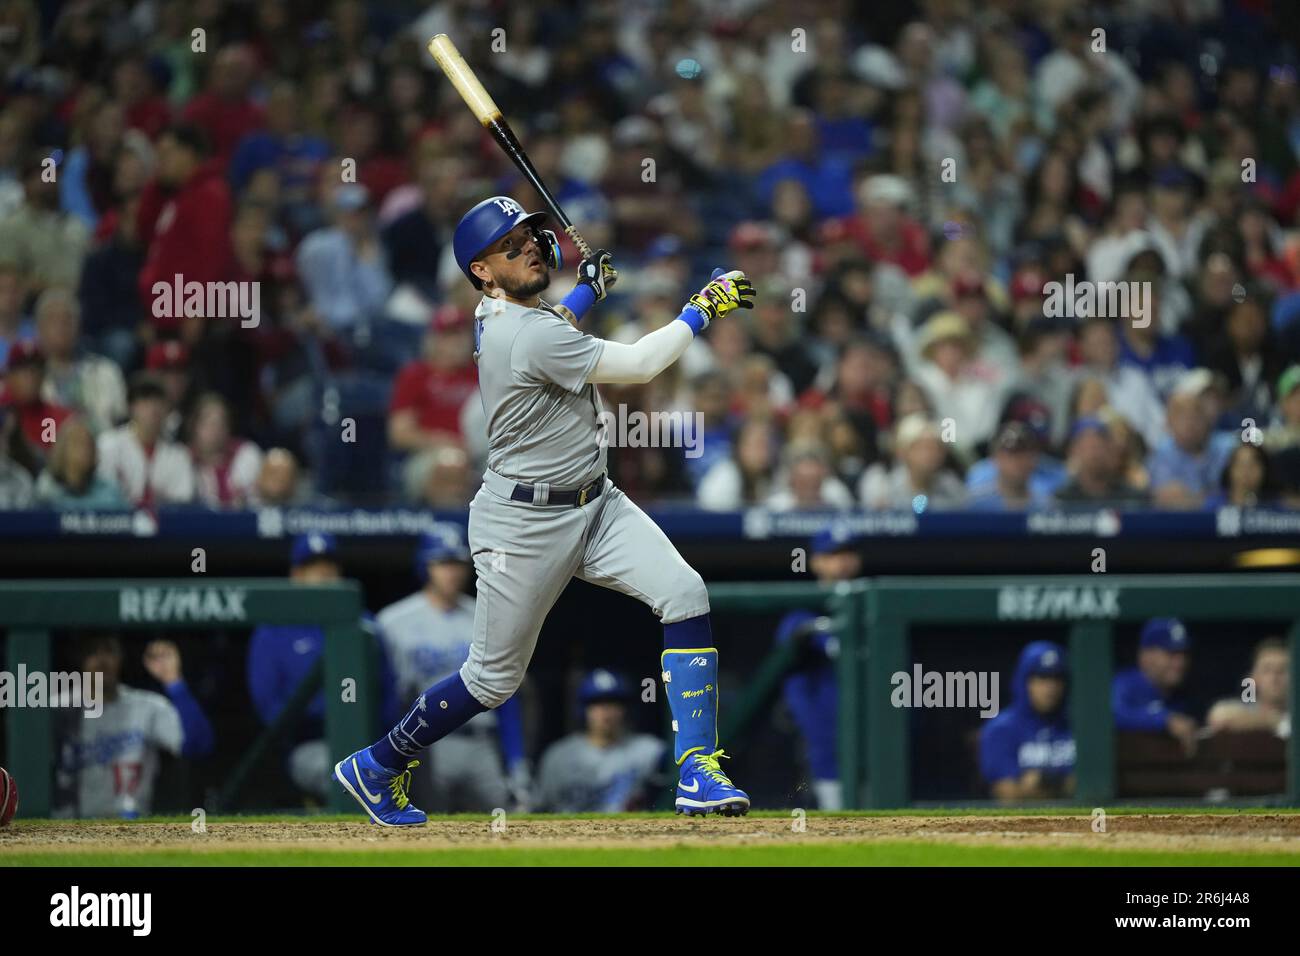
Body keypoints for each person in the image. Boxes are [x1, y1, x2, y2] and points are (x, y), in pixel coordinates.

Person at [334, 196, 754, 826]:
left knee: (685, 592)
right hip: (521, 526)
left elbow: (553, 321)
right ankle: (378, 763)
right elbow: (638, 365)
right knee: (491, 681)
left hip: (596, 502)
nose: (530, 247)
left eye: (531, 237)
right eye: (511, 246)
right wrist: (699, 309)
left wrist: (586, 293)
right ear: (481, 272)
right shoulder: (522, 331)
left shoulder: (511, 315)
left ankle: (697, 768)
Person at [375, 525, 527, 812]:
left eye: (458, 563)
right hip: (425, 746)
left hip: (480, 740)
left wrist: (516, 758)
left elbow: (508, 697)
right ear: (426, 566)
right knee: (421, 824)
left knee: (510, 819)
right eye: (443, 563)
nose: (452, 572)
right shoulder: (392, 621)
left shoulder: (487, 615)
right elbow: (386, 697)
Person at [246, 533, 397, 800]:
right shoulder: (275, 629)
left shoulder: (364, 623)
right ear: (296, 574)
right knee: (347, 781)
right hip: (309, 743)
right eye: (313, 567)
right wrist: (327, 712)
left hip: (369, 743)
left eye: (329, 565)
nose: (324, 573)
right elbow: (269, 707)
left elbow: (388, 691)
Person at [56, 633, 214, 818]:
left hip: (130, 830)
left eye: (108, 651)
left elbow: (198, 744)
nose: (101, 660)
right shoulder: (58, 709)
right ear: (80, 660)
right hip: (67, 830)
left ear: (121, 657)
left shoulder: (146, 706)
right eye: (92, 652)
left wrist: (174, 681)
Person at [772, 526, 863, 810]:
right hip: (823, 751)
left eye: (848, 553)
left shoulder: (871, 608)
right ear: (816, 562)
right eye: (834, 554)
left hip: (870, 745)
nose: (843, 561)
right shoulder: (802, 612)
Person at [533, 669, 667, 813]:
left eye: (613, 703)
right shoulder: (558, 756)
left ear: (625, 709)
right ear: (584, 710)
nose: (606, 711)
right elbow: (540, 808)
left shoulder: (648, 751)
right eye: (597, 703)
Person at [979, 641, 1075, 802]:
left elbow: (1090, 787)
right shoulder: (1000, 729)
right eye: (1042, 677)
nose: (1051, 687)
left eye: (1057, 678)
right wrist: (1061, 783)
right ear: (1024, 682)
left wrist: (1040, 782)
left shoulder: (1078, 725)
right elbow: (1007, 794)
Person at [96, 372, 194, 507]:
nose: (153, 408)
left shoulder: (179, 455)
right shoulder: (108, 445)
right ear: (131, 407)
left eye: (159, 402)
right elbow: (100, 497)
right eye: (145, 401)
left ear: (168, 409)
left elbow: (181, 503)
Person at [1112, 618, 1199, 755]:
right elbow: (1109, 714)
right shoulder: (1124, 685)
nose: (1180, 663)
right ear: (1145, 655)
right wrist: (1164, 720)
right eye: (1171, 654)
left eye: (1184, 654)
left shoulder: (1184, 694)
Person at [35, 415, 128, 509]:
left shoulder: (109, 492)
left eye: (88, 444)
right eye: (76, 443)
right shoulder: (46, 490)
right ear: (61, 450)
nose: (83, 450)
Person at [1207, 639, 1291, 739]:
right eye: (1267, 670)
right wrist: (1274, 721)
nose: (1274, 677)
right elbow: (1220, 716)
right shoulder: (1246, 710)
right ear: (1253, 677)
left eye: (1283, 669)